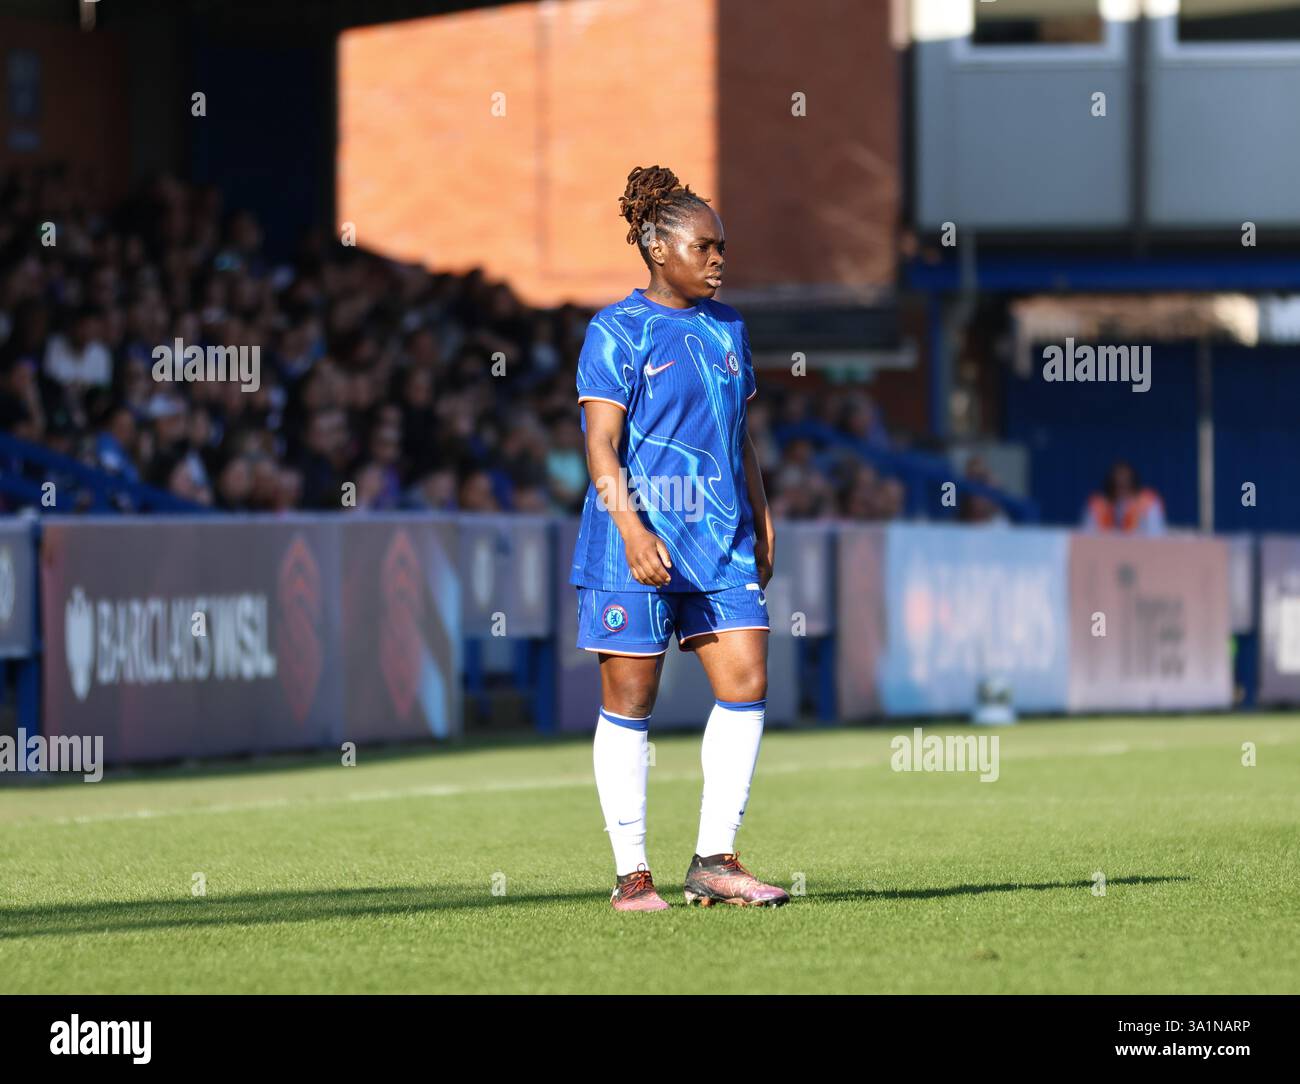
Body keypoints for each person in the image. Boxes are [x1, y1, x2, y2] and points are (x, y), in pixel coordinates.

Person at [571, 165, 788, 911]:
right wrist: (630, 529)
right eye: (706, 246)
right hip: (633, 537)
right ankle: (632, 874)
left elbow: (741, 436)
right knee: (632, 699)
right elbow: (600, 446)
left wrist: (761, 514)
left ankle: (716, 860)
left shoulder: (730, 328)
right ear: (660, 250)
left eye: (723, 245)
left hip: (720, 541)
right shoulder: (615, 330)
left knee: (747, 681)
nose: (720, 259)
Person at [1082, 460, 1165, 535]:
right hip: (1105, 548)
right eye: (1117, 485)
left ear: (1133, 483)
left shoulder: (1147, 502)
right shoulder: (1098, 504)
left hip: (1139, 548)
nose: (1122, 488)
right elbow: (1087, 533)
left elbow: (1155, 534)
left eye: (1126, 483)